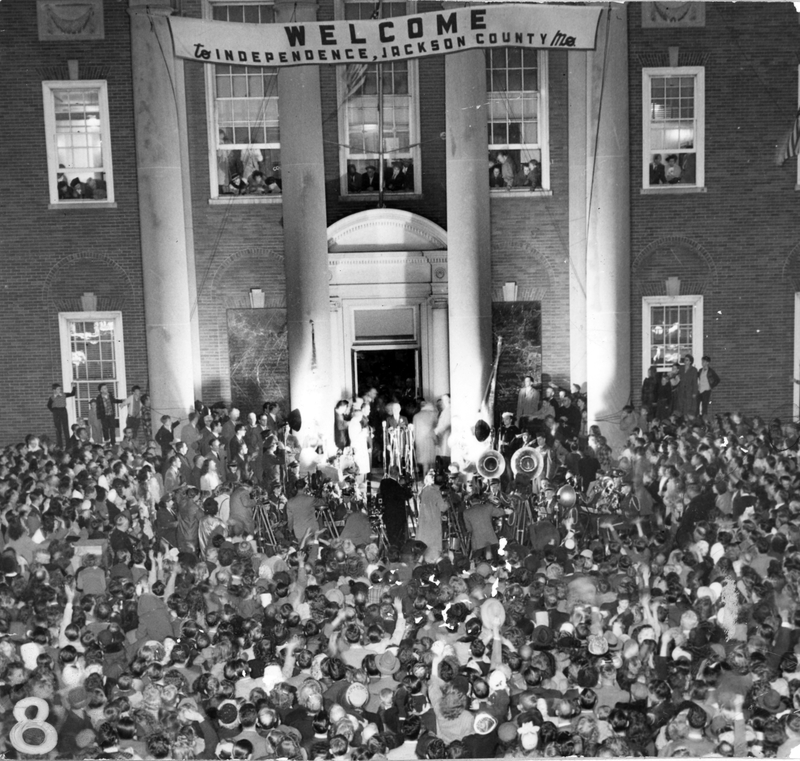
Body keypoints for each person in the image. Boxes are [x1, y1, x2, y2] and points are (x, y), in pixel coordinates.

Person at [415, 470, 448, 553]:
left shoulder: (424, 490)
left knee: (424, 544)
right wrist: (448, 502)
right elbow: (443, 507)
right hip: (433, 522)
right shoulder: (436, 492)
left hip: (424, 521)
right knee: (433, 546)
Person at [47, 382, 76, 449]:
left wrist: (73, 387)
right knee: (58, 429)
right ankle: (60, 445)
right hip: (56, 412)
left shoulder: (64, 395)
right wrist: (53, 410)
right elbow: (48, 405)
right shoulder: (52, 397)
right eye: (58, 389)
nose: (60, 390)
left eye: (60, 389)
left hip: (63, 411)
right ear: (54, 390)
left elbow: (73, 393)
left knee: (66, 428)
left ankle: (68, 446)